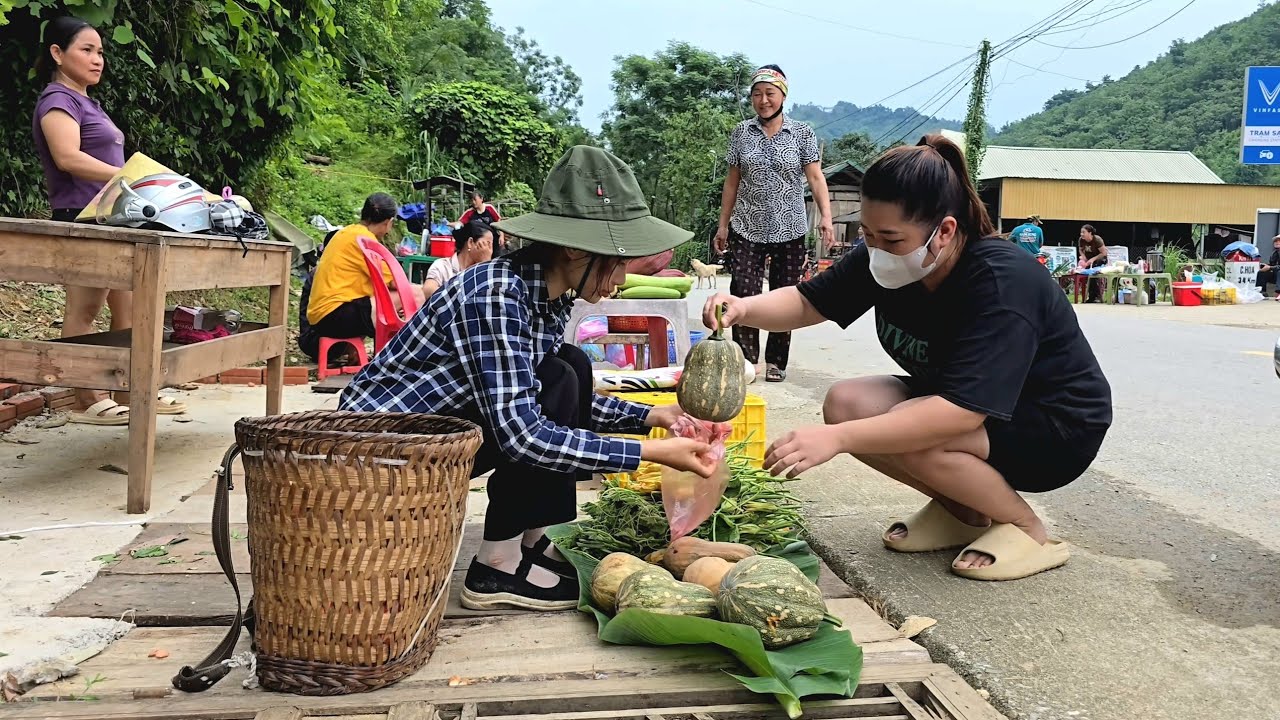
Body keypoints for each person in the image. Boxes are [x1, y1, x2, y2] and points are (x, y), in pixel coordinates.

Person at [704, 135, 1112, 582]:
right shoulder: (886, 255)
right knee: (847, 404)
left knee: (901, 429)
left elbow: (958, 414)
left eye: (891, 238)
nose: (875, 248)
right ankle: (964, 513)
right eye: (868, 234)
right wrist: (743, 307)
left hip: (1055, 427)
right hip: (966, 409)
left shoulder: (1000, 282)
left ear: (946, 231)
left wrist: (837, 440)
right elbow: (807, 302)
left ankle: (1027, 529)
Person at [340, 146, 718, 610]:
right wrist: (652, 451)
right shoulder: (497, 296)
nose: (620, 278)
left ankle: (532, 539)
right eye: (617, 262)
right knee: (560, 376)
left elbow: (542, 390)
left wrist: (654, 415)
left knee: (570, 367)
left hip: (444, 427)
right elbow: (523, 433)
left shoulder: (547, 296)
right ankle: (495, 565)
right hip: (383, 447)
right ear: (576, 248)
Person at [31, 17, 188, 424]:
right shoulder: (57, 101)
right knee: (84, 308)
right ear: (57, 54)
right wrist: (130, 176)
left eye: (100, 51)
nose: (97, 59)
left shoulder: (87, 102)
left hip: (116, 220)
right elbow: (68, 158)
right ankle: (87, 395)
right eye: (86, 49)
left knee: (131, 311)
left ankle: (132, 388)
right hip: (83, 219)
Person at [714, 65, 834, 383]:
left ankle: (776, 361)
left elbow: (816, 177)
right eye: (757, 94)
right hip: (746, 225)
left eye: (769, 93)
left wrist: (826, 217)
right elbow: (731, 182)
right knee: (744, 292)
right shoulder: (741, 133)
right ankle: (746, 361)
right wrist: (722, 225)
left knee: (786, 295)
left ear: (783, 95)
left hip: (790, 228)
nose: (763, 100)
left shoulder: (802, 133)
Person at [299, 193, 426, 363]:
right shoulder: (364, 240)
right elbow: (397, 283)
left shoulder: (347, 233)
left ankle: (397, 351)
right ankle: (411, 355)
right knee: (416, 294)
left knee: (395, 299)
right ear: (388, 222)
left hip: (323, 318)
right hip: (333, 316)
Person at [421, 220, 494, 298]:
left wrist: (485, 265)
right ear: (470, 242)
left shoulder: (485, 271)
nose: (490, 250)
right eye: (488, 243)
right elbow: (428, 290)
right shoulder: (442, 266)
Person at [1078, 224, 1108, 302]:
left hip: (1100, 260)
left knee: (1093, 275)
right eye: (1081, 232)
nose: (1082, 234)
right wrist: (1083, 256)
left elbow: (1104, 253)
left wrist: (1093, 259)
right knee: (1086, 275)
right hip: (1089, 260)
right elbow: (1080, 249)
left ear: (1090, 233)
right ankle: (1091, 297)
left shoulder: (1097, 240)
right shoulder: (1081, 240)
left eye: (1083, 232)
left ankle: (1097, 296)